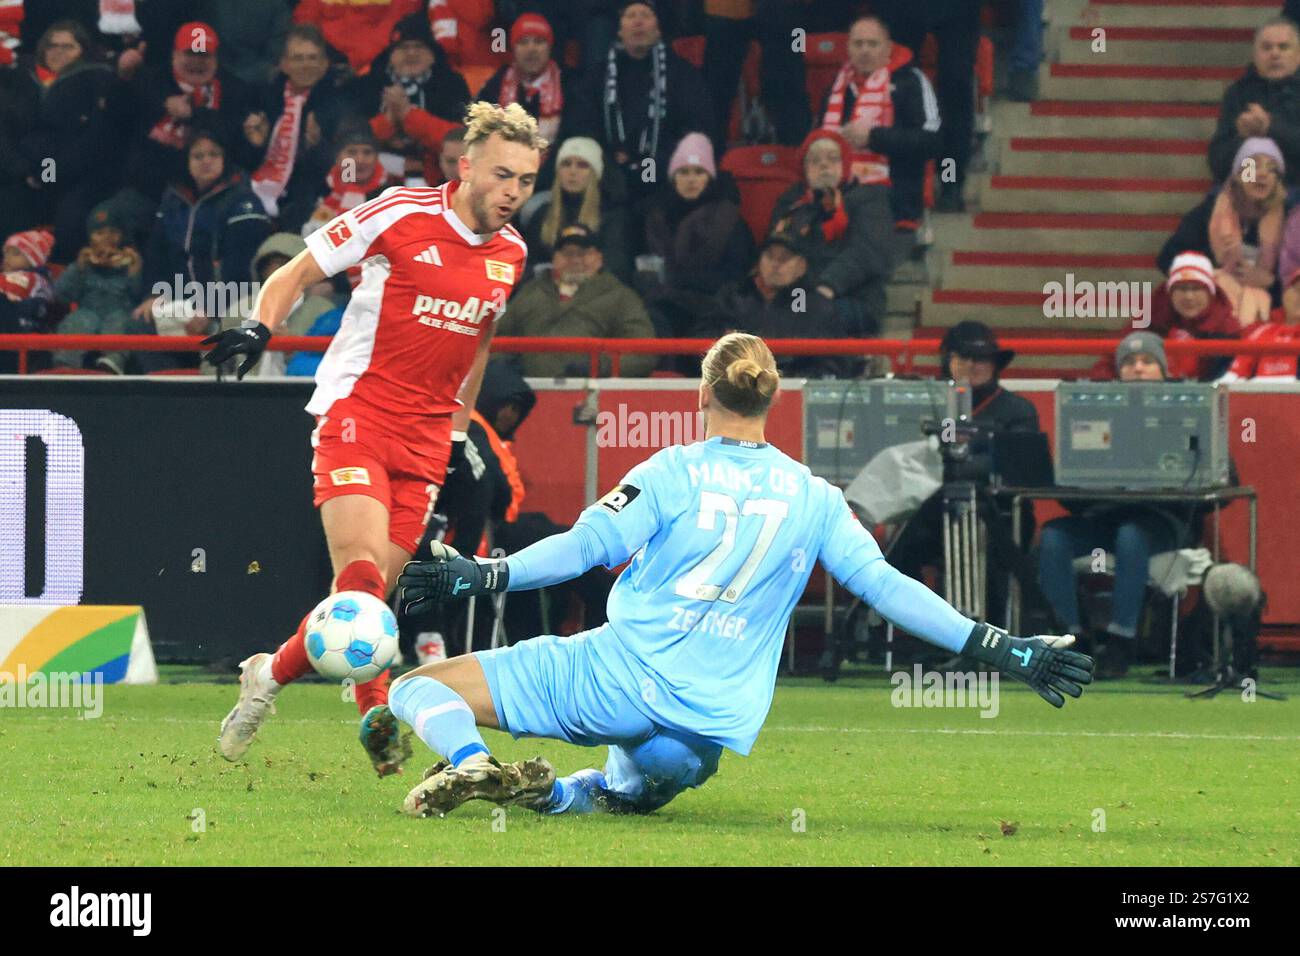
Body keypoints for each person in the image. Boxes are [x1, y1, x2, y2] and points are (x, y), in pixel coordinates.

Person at [377, 332, 1092, 818]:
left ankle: (470, 760)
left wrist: (479, 574)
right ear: (771, 398)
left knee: (414, 687)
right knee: (632, 789)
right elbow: (885, 586)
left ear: (702, 394)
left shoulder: (672, 470)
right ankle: (560, 796)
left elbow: (581, 549)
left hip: (613, 679)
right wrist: (1000, 646)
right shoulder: (814, 496)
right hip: (700, 731)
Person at [207, 102, 543, 777]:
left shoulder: (512, 254)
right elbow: (299, 270)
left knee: (371, 598)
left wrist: (457, 428)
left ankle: (267, 674)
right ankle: (373, 707)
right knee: (360, 575)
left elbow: (478, 341)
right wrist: (260, 326)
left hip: (425, 437)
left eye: (528, 181)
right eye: (504, 175)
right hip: (358, 411)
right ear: (468, 165)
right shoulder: (400, 211)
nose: (514, 192)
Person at [1037, 333, 1203, 679]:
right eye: (1129, 363)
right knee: (1053, 537)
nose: (1138, 369)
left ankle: (1120, 641)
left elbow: (1221, 475)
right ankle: (1074, 638)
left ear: (1163, 369)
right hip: (1102, 518)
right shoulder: (1094, 410)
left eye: (1147, 362)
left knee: (1131, 535)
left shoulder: (1190, 407)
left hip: (1160, 521)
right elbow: (1066, 491)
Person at [885, 321, 1041, 629]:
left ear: (995, 364)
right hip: (935, 515)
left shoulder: (1018, 409)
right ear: (949, 362)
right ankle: (915, 632)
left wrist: (956, 465)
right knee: (900, 544)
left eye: (981, 359)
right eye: (964, 357)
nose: (973, 365)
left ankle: (985, 635)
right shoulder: (932, 405)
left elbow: (1019, 469)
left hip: (1001, 516)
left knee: (982, 544)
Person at [136, 127, 271, 369]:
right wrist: (152, 295)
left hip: (231, 305)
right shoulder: (173, 200)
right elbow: (156, 254)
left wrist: (211, 308)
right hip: (179, 301)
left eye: (213, 155)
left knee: (221, 335)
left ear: (225, 159)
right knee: (138, 325)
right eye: (198, 156)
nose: (206, 161)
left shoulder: (244, 202)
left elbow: (241, 268)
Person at [580, 1, 717, 206]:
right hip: (611, 171)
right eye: (631, 16)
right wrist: (611, 159)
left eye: (645, 15)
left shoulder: (681, 74)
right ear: (619, 30)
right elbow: (585, 124)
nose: (638, 22)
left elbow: (696, 127)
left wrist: (653, 162)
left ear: (658, 29)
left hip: (662, 170)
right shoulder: (598, 76)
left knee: (651, 194)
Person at [815, 15, 941, 233]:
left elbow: (931, 142)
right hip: (838, 196)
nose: (865, 50)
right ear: (848, 48)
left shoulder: (911, 82)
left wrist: (874, 137)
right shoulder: (836, 87)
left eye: (873, 44)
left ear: (888, 47)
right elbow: (815, 142)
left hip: (893, 200)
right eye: (858, 44)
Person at [768, 128, 896, 336]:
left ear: (845, 164)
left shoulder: (868, 200)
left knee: (815, 314)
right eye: (815, 160)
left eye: (832, 158)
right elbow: (777, 248)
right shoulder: (791, 204)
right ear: (804, 169)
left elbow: (867, 254)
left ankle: (822, 369)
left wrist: (826, 287)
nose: (823, 165)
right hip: (799, 294)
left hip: (851, 296)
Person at [496, 223, 656, 377]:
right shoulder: (530, 292)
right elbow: (495, 338)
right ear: (554, 258)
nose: (575, 260)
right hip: (530, 393)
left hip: (594, 393)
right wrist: (506, 367)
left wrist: (600, 366)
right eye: (567, 253)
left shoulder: (621, 297)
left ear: (599, 258)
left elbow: (643, 353)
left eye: (584, 253)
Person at [1159, 137, 1288, 326]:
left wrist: (1270, 282)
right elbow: (1167, 258)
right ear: (1237, 175)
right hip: (1211, 314)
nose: (1262, 174)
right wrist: (1211, 277)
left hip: (1270, 317)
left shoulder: (1289, 219)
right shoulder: (1210, 212)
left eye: (1272, 169)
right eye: (1253, 167)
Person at [121, 21, 256, 200]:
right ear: (174, 55)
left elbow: (237, 145)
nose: (197, 62)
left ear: (216, 59)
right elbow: (116, 117)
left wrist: (193, 115)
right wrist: (124, 77)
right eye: (190, 53)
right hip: (148, 191)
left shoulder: (236, 92)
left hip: (216, 196)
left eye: (204, 55)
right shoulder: (150, 83)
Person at [640, 132, 754, 343]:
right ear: (674, 178)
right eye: (683, 172)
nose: (691, 179)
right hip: (662, 305)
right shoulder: (656, 216)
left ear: (709, 177)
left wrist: (678, 279)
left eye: (698, 172)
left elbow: (736, 276)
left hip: (713, 306)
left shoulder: (730, 220)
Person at [700, 223, 851, 379]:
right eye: (770, 256)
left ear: (801, 266)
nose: (775, 264)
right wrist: (724, 344)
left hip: (792, 390)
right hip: (736, 387)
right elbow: (700, 342)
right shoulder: (732, 297)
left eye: (784, 258)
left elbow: (834, 366)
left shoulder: (816, 308)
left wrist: (789, 378)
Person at [244, 24, 350, 229]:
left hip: (311, 194)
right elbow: (242, 158)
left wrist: (318, 146)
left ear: (325, 64)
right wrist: (254, 145)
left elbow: (350, 167)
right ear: (284, 64)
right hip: (257, 188)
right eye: (298, 58)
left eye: (312, 58)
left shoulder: (340, 103)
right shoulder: (263, 97)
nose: (306, 65)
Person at [345, 14, 471, 185]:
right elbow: (348, 139)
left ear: (433, 54)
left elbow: (461, 139)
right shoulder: (367, 85)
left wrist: (409, 115)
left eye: (419, 46)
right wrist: (387, 121)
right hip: (374, 177)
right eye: (404, 47)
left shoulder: (451, 84)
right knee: (348, 162)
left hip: (436, 174)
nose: (411, 53)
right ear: (391, 54)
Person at [520, 136, 631, 282]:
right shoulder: (542, 215)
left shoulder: (611, 215)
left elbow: (616, 267)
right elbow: (527, 267)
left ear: (595, 173)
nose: (572, 171)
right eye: (566, 164)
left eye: (582, 165)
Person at [701, 0, 810, 146]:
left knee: (791, 82)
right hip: (725, 9)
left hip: (787, 10)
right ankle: (709, 158)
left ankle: (799, 154)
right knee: (716, 88)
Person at [51, 201, 144, 373]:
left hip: (120, 313)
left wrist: (135, 272)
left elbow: (140, 298)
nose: (106, 239)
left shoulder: (131, 264)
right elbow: (61, 295)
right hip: (87, 312)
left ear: (122, 236)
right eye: (99, 233)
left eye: (113, 232)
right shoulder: (82, 265)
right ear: (90, 236)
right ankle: (66, 365)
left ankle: (112, 363)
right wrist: (78, 269)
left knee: (121, 322)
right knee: (78, 320)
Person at [1208, 17, 1300, 185]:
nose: (1275, 53)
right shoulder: (1238, 93)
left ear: (1298, 55)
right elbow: (1218, 164)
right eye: (1267, 47)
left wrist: (1269, 128)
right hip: (1245, 190)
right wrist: (1243, 138)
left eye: (1283, 47)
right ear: (1255, 54)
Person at [291, 0, 422, 76]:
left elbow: (397, 27)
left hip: (374, 70)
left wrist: (360, 63)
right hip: (325, 63)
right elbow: (305, 19)